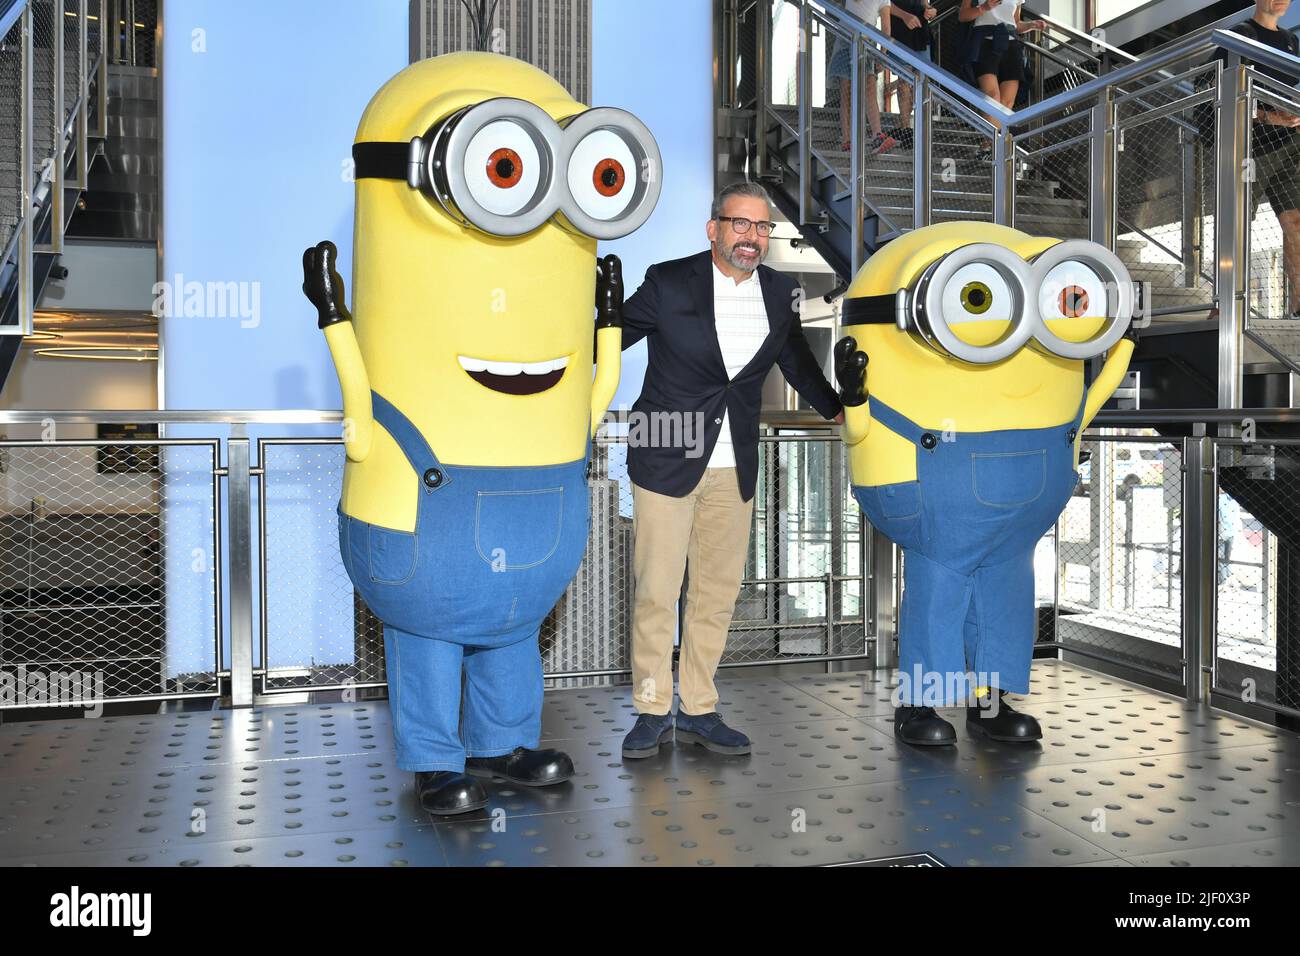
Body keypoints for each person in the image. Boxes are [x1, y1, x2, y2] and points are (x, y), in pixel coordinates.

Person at [617, 182, 844, 759]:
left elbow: (794, 360)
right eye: (741, 224)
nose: (753, 237)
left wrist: (838, 407)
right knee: (657, 592)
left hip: (733, 464)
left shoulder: (779, 291)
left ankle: (698, 707)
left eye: (763, 228)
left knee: (716, 595)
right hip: (665, 453)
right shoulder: (669, 282)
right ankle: (650, 708)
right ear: (713, 228)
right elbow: (610, 337)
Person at [1216, 0, 1300, 317]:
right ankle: (1224, 303)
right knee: (1237, 221)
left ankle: (1298, 305)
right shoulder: (1240, 35)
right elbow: (1217, 92)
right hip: (1249, 146)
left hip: (1287, 144)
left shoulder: (1290, 40)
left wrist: (1292, 111)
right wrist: (1269, 116)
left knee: (1295, 221)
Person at [828, 0, 924, 154]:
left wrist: (882, 55)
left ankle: (877, 135)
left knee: (870, 89)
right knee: (846, 92)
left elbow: (886, 28)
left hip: (867, 42)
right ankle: (847, 140)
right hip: (846, 39)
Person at [958, 0, 1045, 159]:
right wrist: (984, 7)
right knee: (992, 97)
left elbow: (1016, 23)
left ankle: (991, 147)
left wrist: (1032, 24)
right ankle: (992, 147)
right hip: (984, 42)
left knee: (1007, 103)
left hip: (1011, 45)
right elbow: (963, 16)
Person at [884, 0, 939, 149]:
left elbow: (924, 4)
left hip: (920, 32)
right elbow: (884, 3)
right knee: (905, 79)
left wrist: (930, 11)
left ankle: (918, 127)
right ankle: (906, 128)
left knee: (923, 82)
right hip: (900, 32)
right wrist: (905, 16)